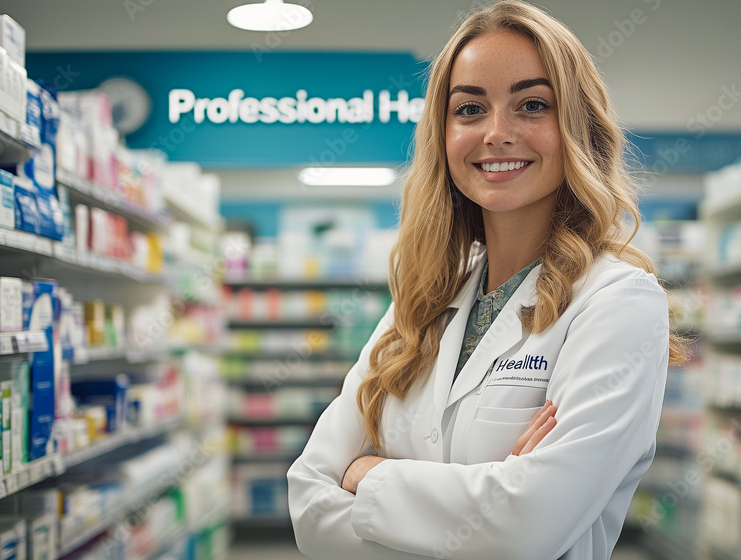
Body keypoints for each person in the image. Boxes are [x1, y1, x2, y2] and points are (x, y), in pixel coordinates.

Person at [287, 2, 690, 558]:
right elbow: (309, 504)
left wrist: (368, 473)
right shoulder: (423, 303)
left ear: (578, 126)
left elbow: (531, 525)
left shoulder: (618, 303)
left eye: (532, 105)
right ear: (443, 133)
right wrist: (489, 496)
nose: (497, 133)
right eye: (470, 108)